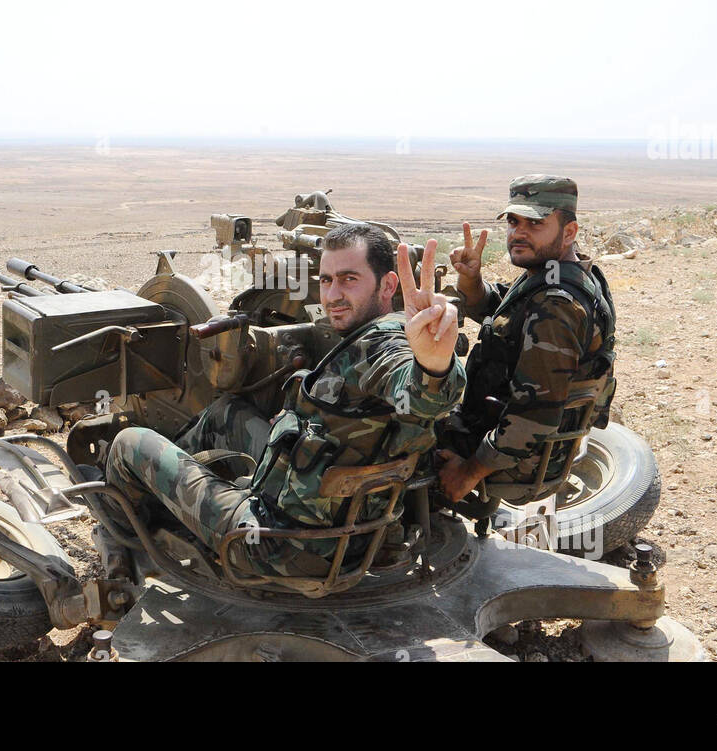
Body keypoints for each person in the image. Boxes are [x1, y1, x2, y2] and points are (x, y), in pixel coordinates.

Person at [104, 222, 466, 577]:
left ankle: (124, 541)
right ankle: (170, 496)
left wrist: (433, 366)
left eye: (349, 279)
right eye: (326, 280)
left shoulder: (383, 347)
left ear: (388, 285)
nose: (333, 295)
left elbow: (420, 393)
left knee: (129, 443)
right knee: (225, 414)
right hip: (344, 523)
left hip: (278, 544)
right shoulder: (368, 336)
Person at [436, 175, 617, 503]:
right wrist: (471, 279)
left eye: (535, 223)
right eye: (513, 221)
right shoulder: (565, 273)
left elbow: (534, 416)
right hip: (520, 439)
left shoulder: (556, 306)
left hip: (518, 457)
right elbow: (504, 315)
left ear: (569, 232)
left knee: (397, 434)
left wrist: (469, 472)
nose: (518, 233)